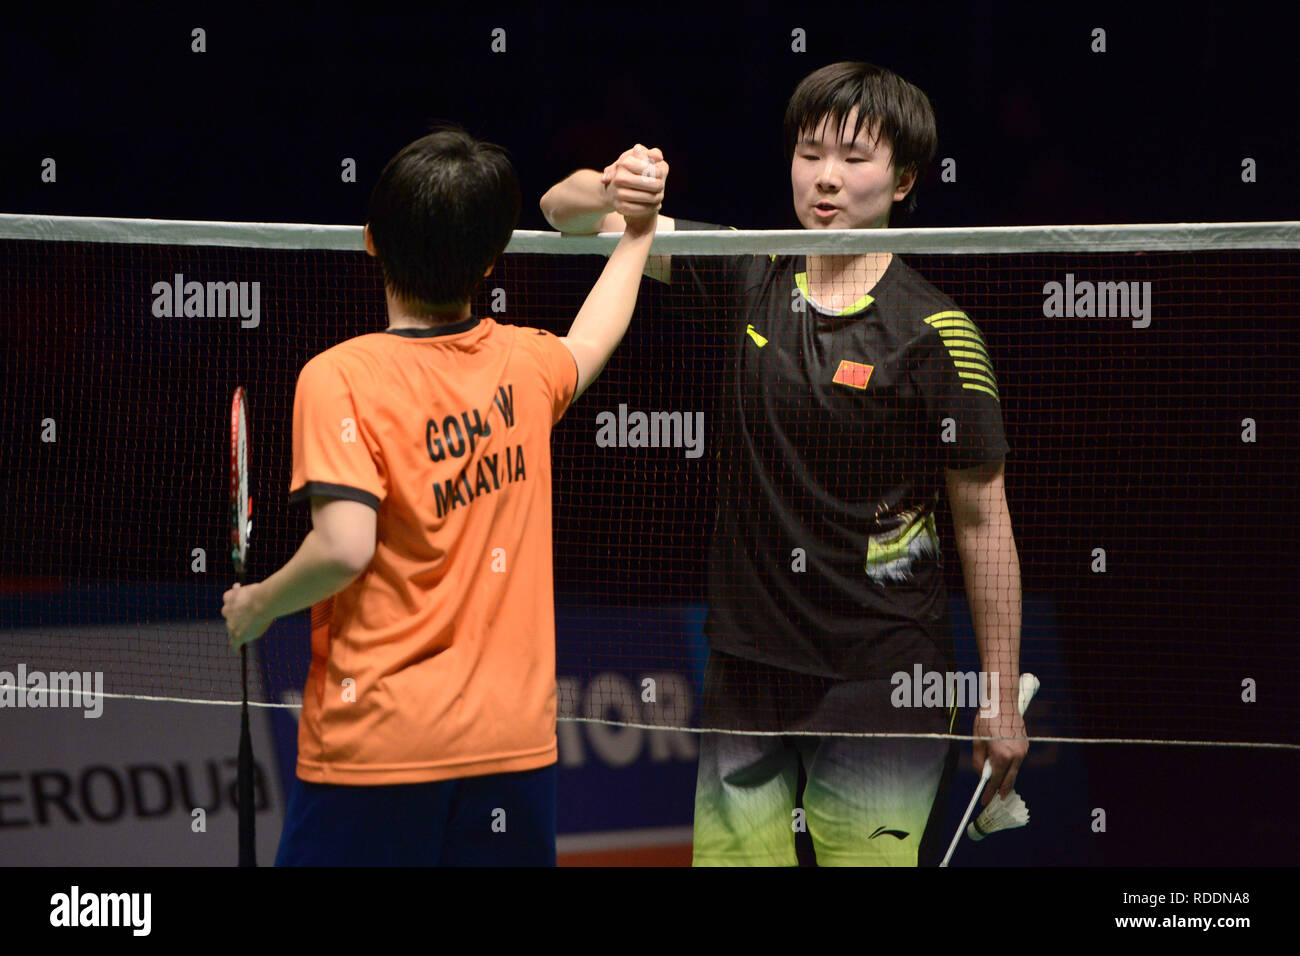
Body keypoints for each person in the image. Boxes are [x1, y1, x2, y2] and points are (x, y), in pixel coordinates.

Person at [540, 61, 1025, 866]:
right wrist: (614, 184)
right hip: (747, 666)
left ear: (905, 180)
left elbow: (982, 517)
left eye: (854, 158)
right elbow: (563, 218)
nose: (825, 178)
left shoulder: (938, 333)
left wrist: (1001, 696)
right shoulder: (747, 269)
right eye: (809, 153)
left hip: (884, 679)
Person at [221, 124, 666, 865]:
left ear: (371, 242)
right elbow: (596, 334)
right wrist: (639, 235)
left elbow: (343, 547)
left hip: (378, 745)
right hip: (514, 749)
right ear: (492, 259)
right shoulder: (526, 363)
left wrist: (260, 604)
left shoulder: (339, 376)